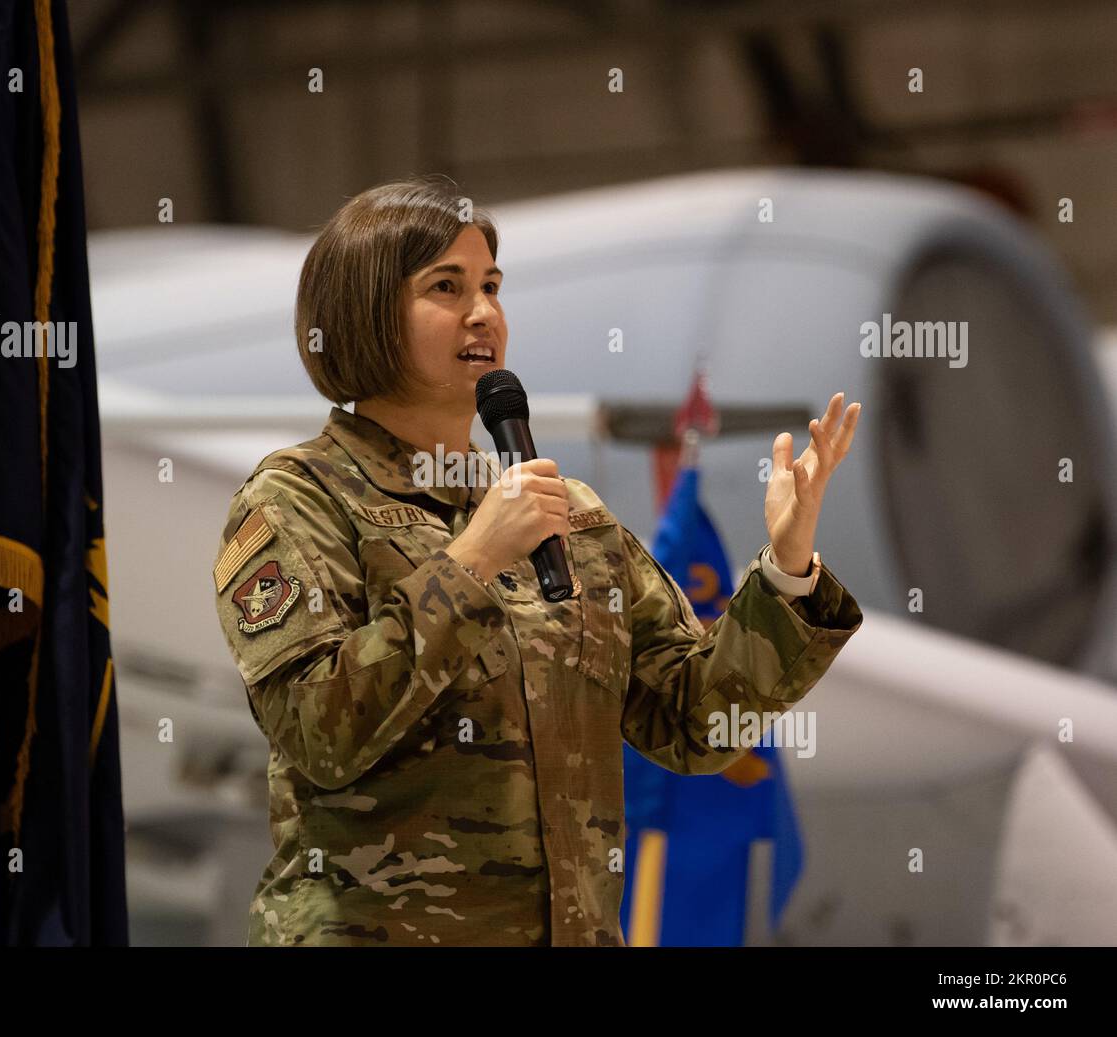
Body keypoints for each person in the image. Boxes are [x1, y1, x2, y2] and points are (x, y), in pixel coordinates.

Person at [213, 175, 863, 947]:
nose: (482, 311)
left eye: (491, 285)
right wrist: (474, 558)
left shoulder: (572, 516)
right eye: (445, 287)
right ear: (365, 314)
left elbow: (693, 720)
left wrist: (787, 571)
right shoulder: (299, 499)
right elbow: (320, 730)